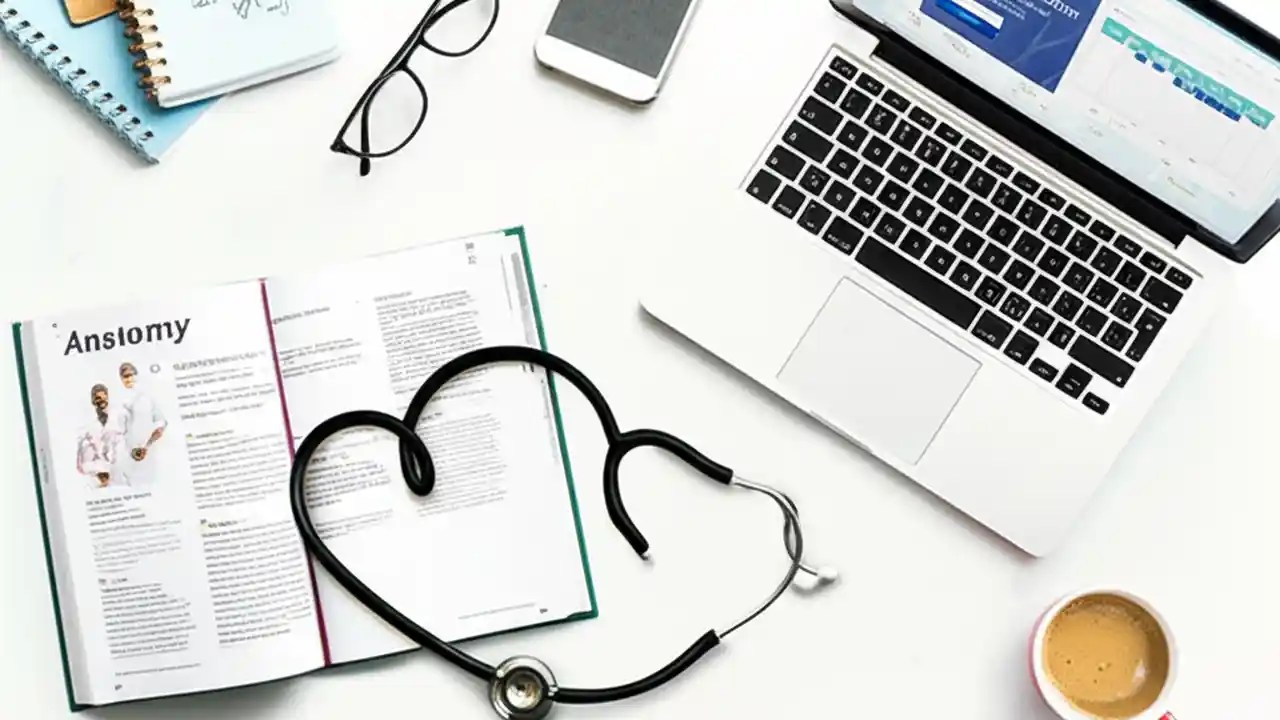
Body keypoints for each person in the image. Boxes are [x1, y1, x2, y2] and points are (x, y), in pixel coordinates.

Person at [118, 362, 167, 463]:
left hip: (149, 450)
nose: (129, 379)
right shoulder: (118, 401)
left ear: (136, 376)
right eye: (125, 376)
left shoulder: (147, 398)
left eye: (131, 375)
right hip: (128, 453)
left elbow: (161, 420)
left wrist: (157, 432)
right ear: (121, 379)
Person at [75, 384, 122, 488]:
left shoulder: (117, 418)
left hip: (115, 474)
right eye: (98, 398)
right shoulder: (87, 424)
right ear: (93, 401)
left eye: (104, 398)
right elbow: (84, 461)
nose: (102, 401)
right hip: (94, 478)